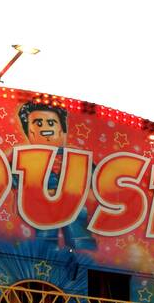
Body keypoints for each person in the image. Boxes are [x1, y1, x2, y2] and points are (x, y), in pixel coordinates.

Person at [14, 101, 96, 250]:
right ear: (29, 132)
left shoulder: (77, 159)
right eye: (38, 123)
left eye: (51, 122)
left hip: (74, 208)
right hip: (42, 213)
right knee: (45, 241)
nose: (45, 128)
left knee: (80, 238)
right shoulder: (23, 160)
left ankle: (83, 257)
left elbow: (98, 180)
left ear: (61, 129)